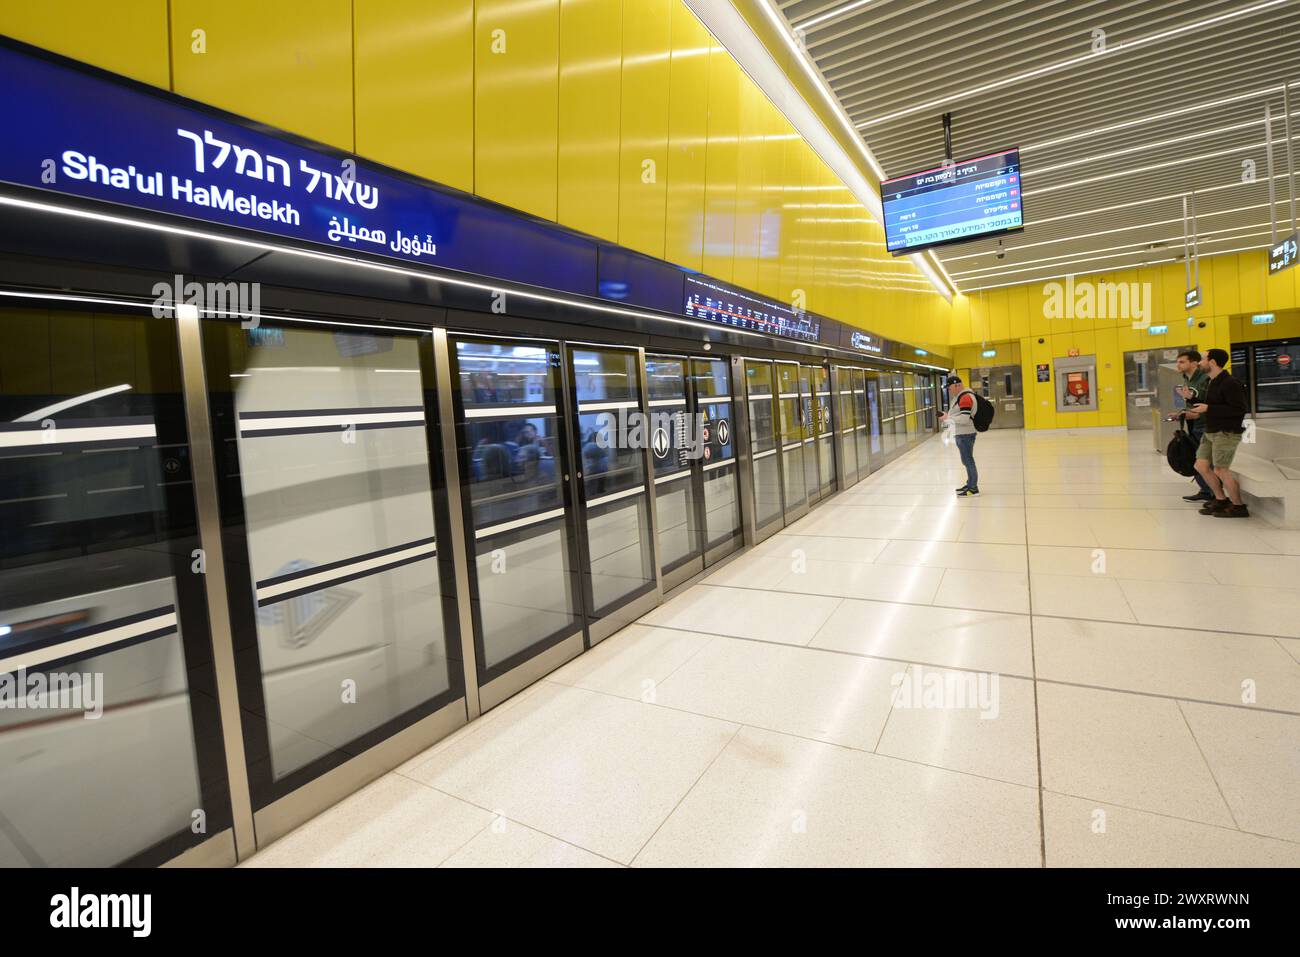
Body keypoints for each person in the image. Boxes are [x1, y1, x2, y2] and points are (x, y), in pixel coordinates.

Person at [1190, 348, 1250, 518]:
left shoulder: (1231, 383)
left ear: (1213, 362)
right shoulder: (1213, 381)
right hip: (1210, 431)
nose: (1199, 363)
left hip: (1225, 432)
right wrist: (1193, 401)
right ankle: (1221, 500)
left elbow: (1239, 409)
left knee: (1221, 470)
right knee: (1200, 465)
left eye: (1202, 359)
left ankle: (1238, 506)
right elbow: (1213, 406)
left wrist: (1208, 408)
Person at [1173, 350, 1213, 502]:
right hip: (1193, 425)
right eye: (1178, 362)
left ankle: (1212, 492)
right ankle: (1205, 489)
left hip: (1205, 424)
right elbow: (1192, 403)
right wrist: (1182, 414)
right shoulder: (1186, 379)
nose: (1178, 365)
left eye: (1182, 362)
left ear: (1194, 363)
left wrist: (1196, 412)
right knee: (1194, 456)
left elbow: (1208, 403)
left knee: (1204, 460)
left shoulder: (1205, 379)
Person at [939, 375, 979, 496]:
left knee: (968, 461)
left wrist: (948, 417)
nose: (949, 390)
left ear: (957, 385)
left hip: (965, 433)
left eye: (950, 388)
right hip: (963, 433)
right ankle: (970, 483)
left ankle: (973, 489)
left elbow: (964, 419)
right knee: (966, 460)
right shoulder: (960, 397)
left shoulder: (965, 397)